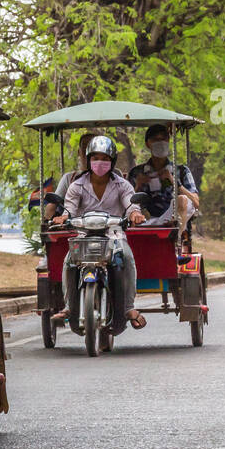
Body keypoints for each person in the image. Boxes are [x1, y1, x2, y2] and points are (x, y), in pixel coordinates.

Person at [50, 135, 148, 329]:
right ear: (88, 160)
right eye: (95, 158)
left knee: (127, 258)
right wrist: (63, 217)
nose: (99, 163)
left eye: (104, 159)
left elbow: (130, 205)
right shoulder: (76, 186)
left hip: (114, 234)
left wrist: (135, 213)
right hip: (84, 234)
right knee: (69, 261)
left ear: (111, 161)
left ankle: (129, 307)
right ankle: (69, 306)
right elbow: (69, 208)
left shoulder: (122, 185)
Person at [128, 124, 199, 230]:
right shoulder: (137, 172)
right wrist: (138, 186)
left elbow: (195, 202)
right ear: (148, 144)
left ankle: (176, 239)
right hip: (144, 221)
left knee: (182, 199)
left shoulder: (181, 171)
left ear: (169, 141)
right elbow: (126, 203)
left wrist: (174, 182)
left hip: (173, 221)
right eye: (156, 140)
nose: (160, 143)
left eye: (164, 139)